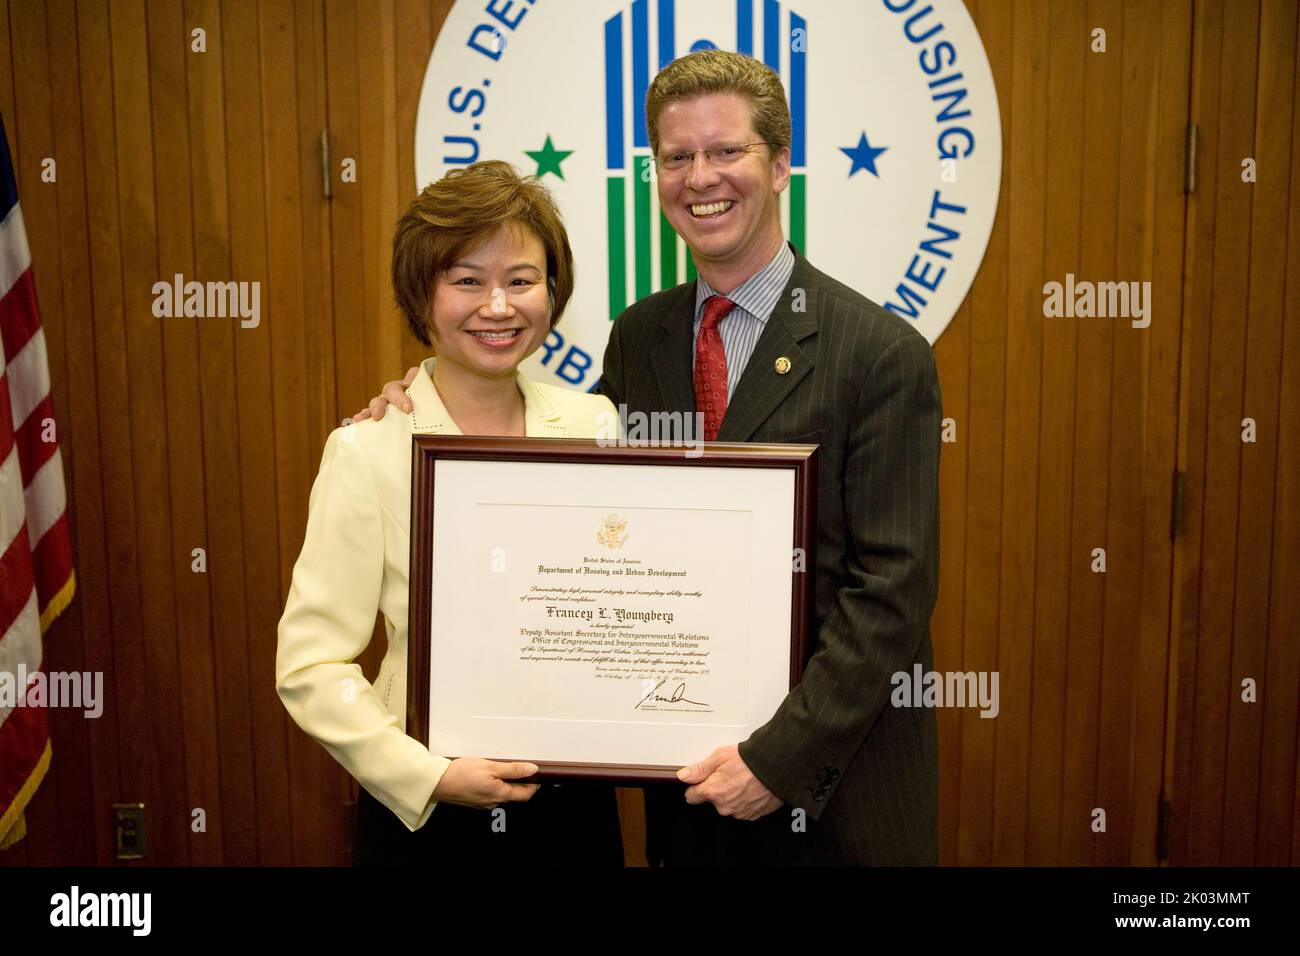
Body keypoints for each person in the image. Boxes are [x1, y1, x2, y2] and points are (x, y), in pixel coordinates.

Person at [358, 50, 941, 866]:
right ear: (657, 175)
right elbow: (551, 463)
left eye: (726, 151)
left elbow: (892, 595)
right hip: (688, 804)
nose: (701, 176)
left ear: (778, 166)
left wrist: (774, 762)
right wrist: (422, 393)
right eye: (677, 157)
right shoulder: (641, 338)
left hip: (831, 804)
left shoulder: (880, 354)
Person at [278, 160, 623, 866]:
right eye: (467, 280)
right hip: (429, 814)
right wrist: (427, 775)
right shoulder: (366, 449)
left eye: (521, 280)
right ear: (421, 293)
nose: (497, 306)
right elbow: (310, 665)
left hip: (577, 806)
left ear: (552, 293)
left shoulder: (596, 424)